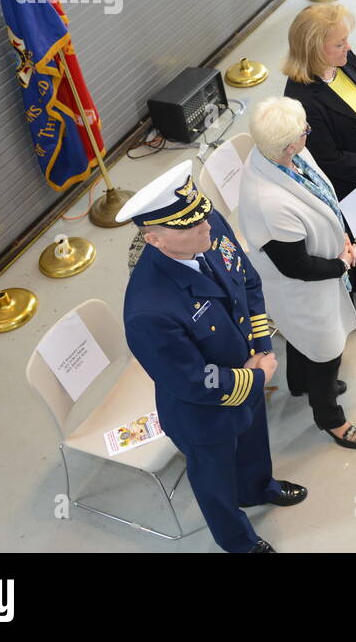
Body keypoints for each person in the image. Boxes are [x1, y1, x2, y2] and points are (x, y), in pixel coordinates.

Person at [120, 160, 306, 554]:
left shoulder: (210, 227)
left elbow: (248, 283)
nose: (205, 226)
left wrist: (262, 348)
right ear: (154, 239)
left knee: (254, 442)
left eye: (202, 215)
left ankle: (258, 488)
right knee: (215, 482)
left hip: (250, 368)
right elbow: (189, 379)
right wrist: (255, 377)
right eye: (189, 225)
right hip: (203, 411)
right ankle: (238, 542)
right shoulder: (149, 309)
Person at [235, 96, 356, 450]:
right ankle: (329, 416)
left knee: (302, 339)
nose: (309, 131)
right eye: (305, 129)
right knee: (326, 351)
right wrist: (342, 263)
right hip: (300, 289)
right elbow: (297, 266)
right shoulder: (269, 202)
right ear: (289, 145)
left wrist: (343, 236)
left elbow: (322, 197)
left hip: (322, 266)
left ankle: (300, 382)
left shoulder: (285, 155)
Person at [282, 2, 356, 298]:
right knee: (343, 239)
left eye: (346, 39)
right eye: (339, 43)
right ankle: (346, 296)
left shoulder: (344, 62)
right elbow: (327, 159)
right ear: (314, 50)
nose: (349, 46)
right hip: (339, 185)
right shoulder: (302, 98)